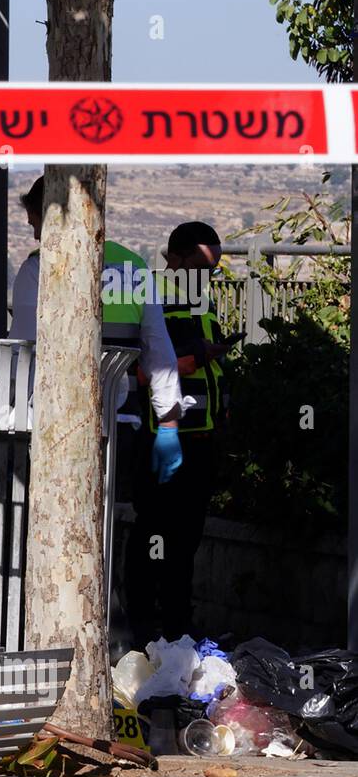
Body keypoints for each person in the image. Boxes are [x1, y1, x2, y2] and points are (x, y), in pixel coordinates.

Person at [10, 174, 186, 483]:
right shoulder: (133, 266)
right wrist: (169, 425)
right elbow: (159, 351)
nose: (36, 236)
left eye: (35, 224)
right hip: (122, 424)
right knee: (108, 521)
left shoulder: (38, 268)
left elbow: (22, 355)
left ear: (53, 216)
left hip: (59, 426)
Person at [125, 221, 231, 639]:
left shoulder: (196, 302)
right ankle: (148, 630)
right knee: (155, 536)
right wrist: (198, 360)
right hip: (163, 440)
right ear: (175, 256)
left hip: (199, 441)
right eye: (202, 267)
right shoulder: (152, 297)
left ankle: (177, 629)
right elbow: (142, 371)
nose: (206, 277)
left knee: (185, 542)